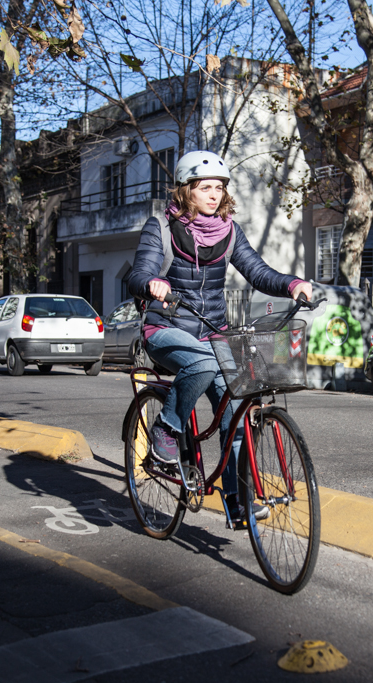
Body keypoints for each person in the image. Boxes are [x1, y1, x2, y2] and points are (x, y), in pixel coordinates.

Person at [126, 150, 311, 520]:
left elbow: (257, 272)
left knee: (236, 415)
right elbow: (138, 273)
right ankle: (167, 427)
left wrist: (291, 283)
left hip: (214, 332)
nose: (213, 194)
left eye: (219, 187)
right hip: (165, 328)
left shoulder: (228, 231)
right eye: (204, 187)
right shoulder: (159, 227)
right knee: (202, 362)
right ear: (185, 190)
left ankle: (239, 502)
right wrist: (153, 283)